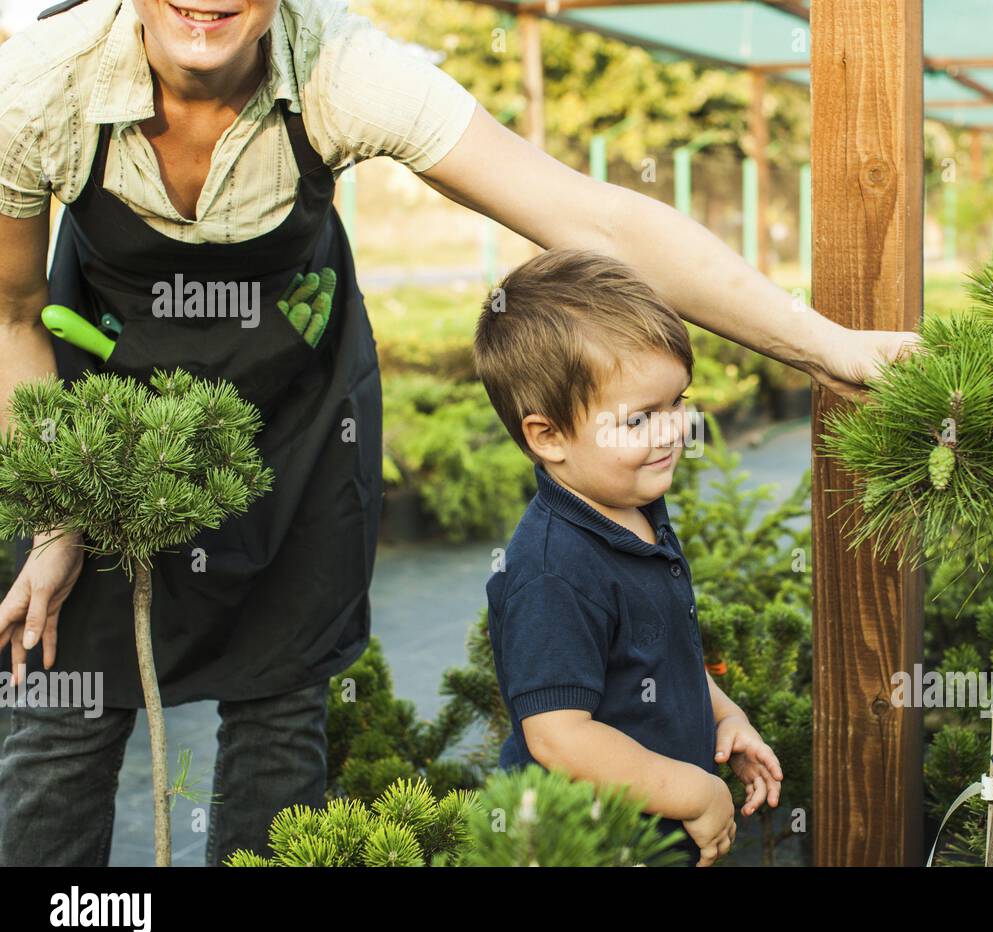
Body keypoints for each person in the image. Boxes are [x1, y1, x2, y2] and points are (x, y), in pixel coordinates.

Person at [0, 0, 916, 866]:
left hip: (298, 416)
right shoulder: (39, 86)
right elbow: (12, 313)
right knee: (61, 704)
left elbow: (592, 218)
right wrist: (58, 517)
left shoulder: (345, 71)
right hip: (96, 417)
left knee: (277, 707)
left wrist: (829, 350)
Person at [475, 248, 784, 866]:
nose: (673, 430)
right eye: (640, 418)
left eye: (677, 402)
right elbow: (560, 736)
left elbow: (659, 654)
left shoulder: (633, 515)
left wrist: (723, 716)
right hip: (595, 846)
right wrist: (691, 793)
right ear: (549, 436)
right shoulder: (551, 570)